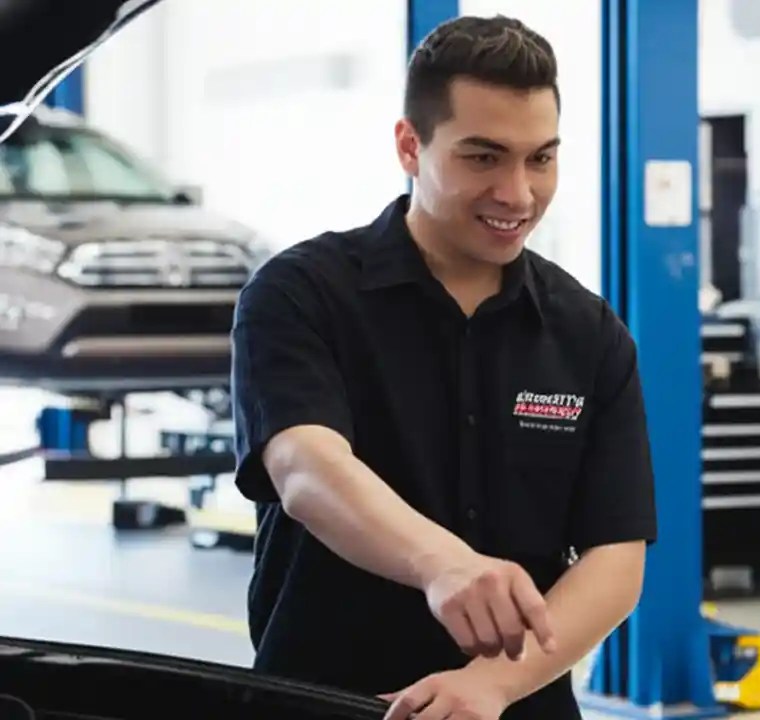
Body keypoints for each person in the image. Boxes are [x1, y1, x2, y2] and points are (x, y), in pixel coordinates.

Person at [229, 15, 655, 720]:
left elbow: (615, 560)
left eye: (540, 159)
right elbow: (305, 467)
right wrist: (441, 562)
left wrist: (490, 683)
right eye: (483, 157)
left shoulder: (588, 333)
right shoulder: (301, 294)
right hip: (327, 700)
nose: (518, 194)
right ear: (410, 145)